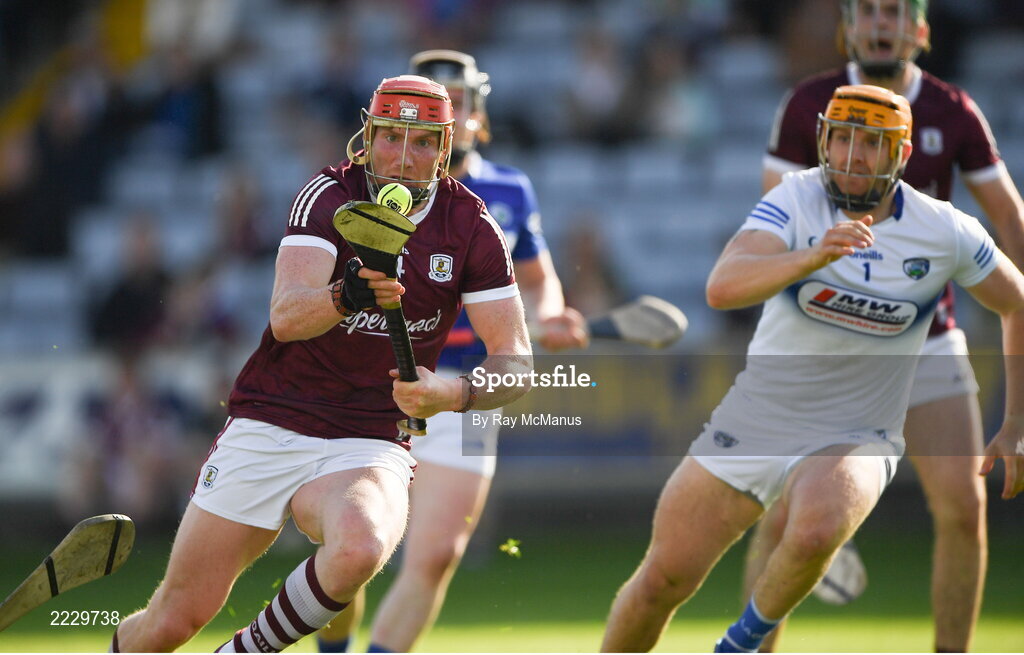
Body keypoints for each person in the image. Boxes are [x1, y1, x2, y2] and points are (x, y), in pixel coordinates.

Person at [110, 74, 534, 652]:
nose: (404, 157)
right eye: (391, 137)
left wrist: (452, 395)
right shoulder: (328, 195)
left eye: (422, 142)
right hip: (272, 419)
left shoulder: (471, 227)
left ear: (445, 149)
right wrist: (348, 296)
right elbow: (286, 315)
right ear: (368, 135)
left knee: (362, 546)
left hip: (368, 437)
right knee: (170, 622)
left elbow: (516, 361)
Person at [600, 84, 1024, 654]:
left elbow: (1016, 302)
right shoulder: (797, 198)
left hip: (859, 434)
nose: (851, 155)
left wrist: (1017, 419)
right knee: (662, 581)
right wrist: (811, 256)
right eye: (840, 137)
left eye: (870, 144)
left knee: (818, 526)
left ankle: (738, 645)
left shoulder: (943, 229)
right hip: (758, 420)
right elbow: (722, 287)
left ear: (901, 155)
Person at [755, 1, 1024, 650]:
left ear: (921, 32)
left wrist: (1017, 415)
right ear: (848, 28)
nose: (882, 24)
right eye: (868, 11)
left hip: (927, 341)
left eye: (897, 12)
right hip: (827, 341)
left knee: (965, 508)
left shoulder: (952, 111)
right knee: (786, 516)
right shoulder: (807, 105)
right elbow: (771, 227)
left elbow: (1012, 230)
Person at [316, 49, 588, 654]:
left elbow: (538, 280)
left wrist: (548, 316)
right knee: (349, 554)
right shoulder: (359, 186)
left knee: (436, 554)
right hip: (371, 384)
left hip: (462, 389)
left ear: (474, 118)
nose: (444, 116)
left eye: (458, 102)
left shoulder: (508, 191)